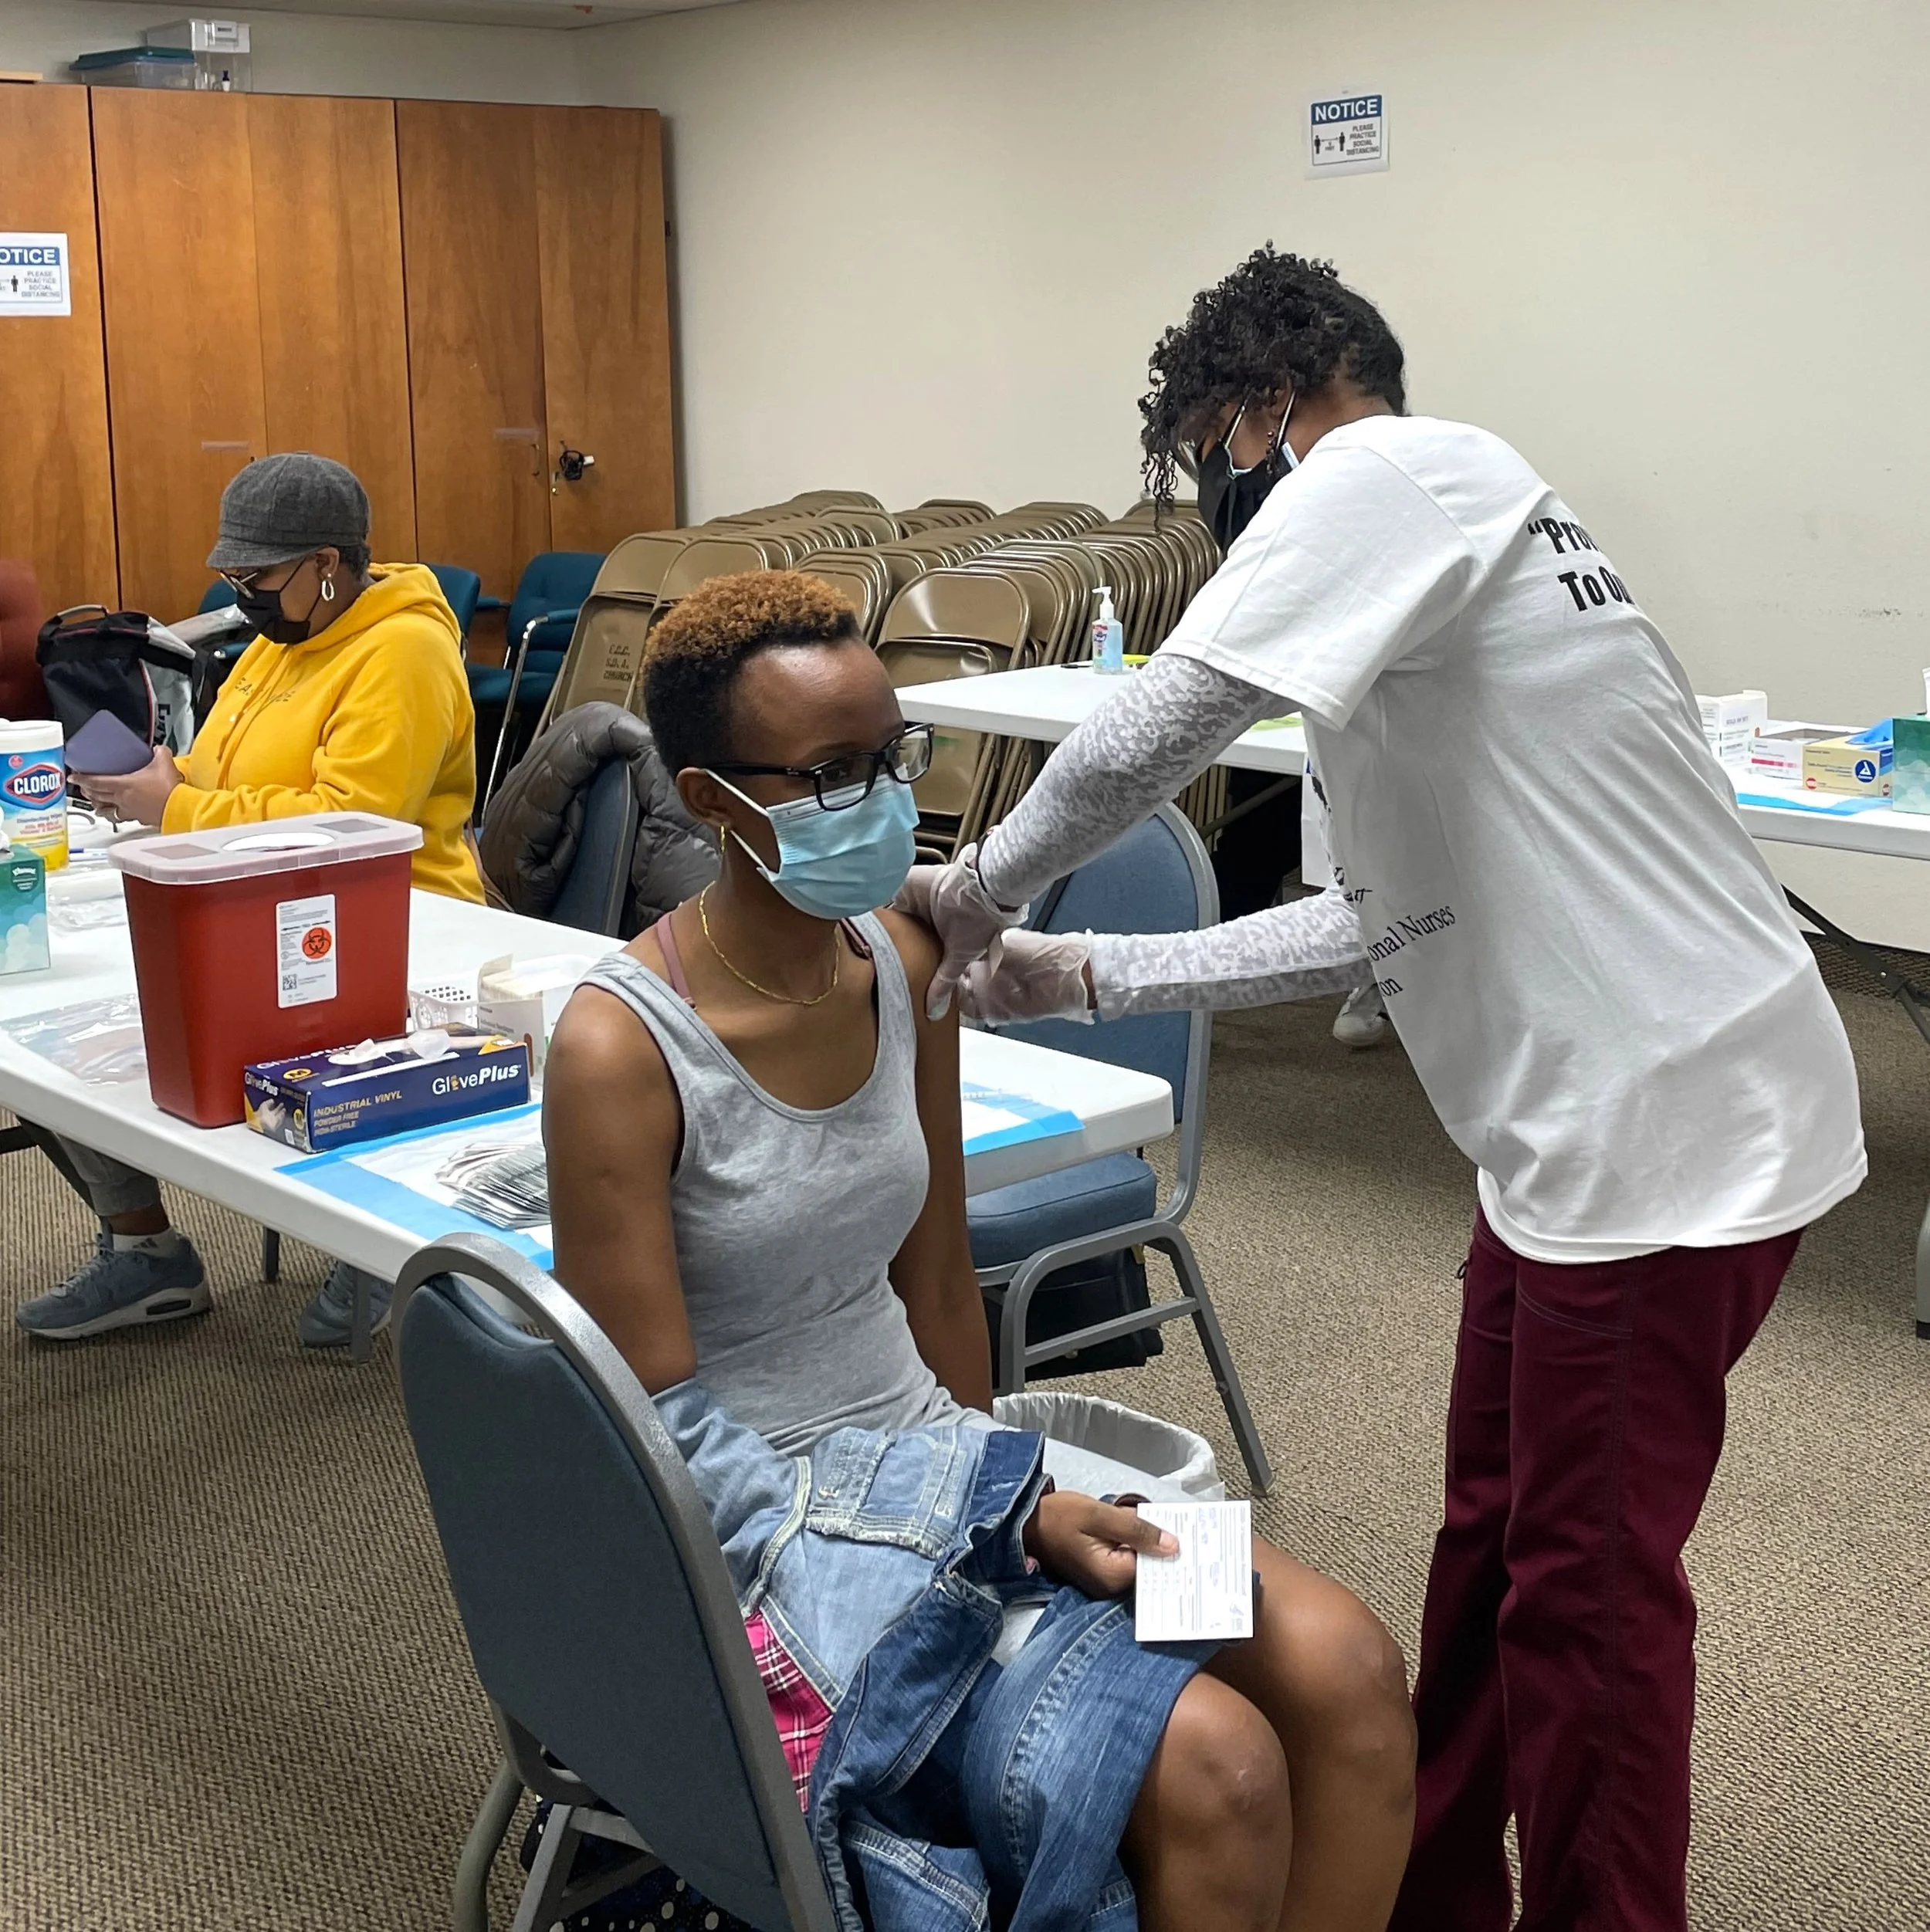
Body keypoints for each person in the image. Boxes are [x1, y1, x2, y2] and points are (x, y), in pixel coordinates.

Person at [906, 247, 1866, 1932]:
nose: (1220, 495)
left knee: (1585, 1601)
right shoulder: (1432, 598)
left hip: (1661, 1139)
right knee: (1491, 1537)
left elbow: (1154, 726)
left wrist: (974, 887)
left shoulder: (1391, 472)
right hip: (1573, 1139)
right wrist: (1090, 973)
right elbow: (1372, 918)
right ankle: (1432, 1893)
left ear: (1268, 406)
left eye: (1214, 452)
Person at [541, 570, 1417, 1930]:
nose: (884, 799)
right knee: (1222, 1766)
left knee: (1346, 1667)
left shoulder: (903, 963)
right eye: (833, 773)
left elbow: (940, 1278)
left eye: (893, 755)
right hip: (783, 1527)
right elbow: (662, 1423)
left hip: (951, 1458)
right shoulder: (620, 1044)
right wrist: (990, 1527)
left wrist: (1001, 1488)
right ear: (712, 800)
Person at [15, 452, 485, 1350]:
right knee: (54, 1051)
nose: (244, 596)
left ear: (327, 564)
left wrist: (176, 807)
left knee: (141, 1030)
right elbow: (223, 769)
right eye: (233, 576)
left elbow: (355, 821)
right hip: (256, 905)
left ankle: (381, 1241)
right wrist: (159, 778)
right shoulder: (284, 640)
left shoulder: (405, 650)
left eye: (257, 576)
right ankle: (146, 1251)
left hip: (391, 922)